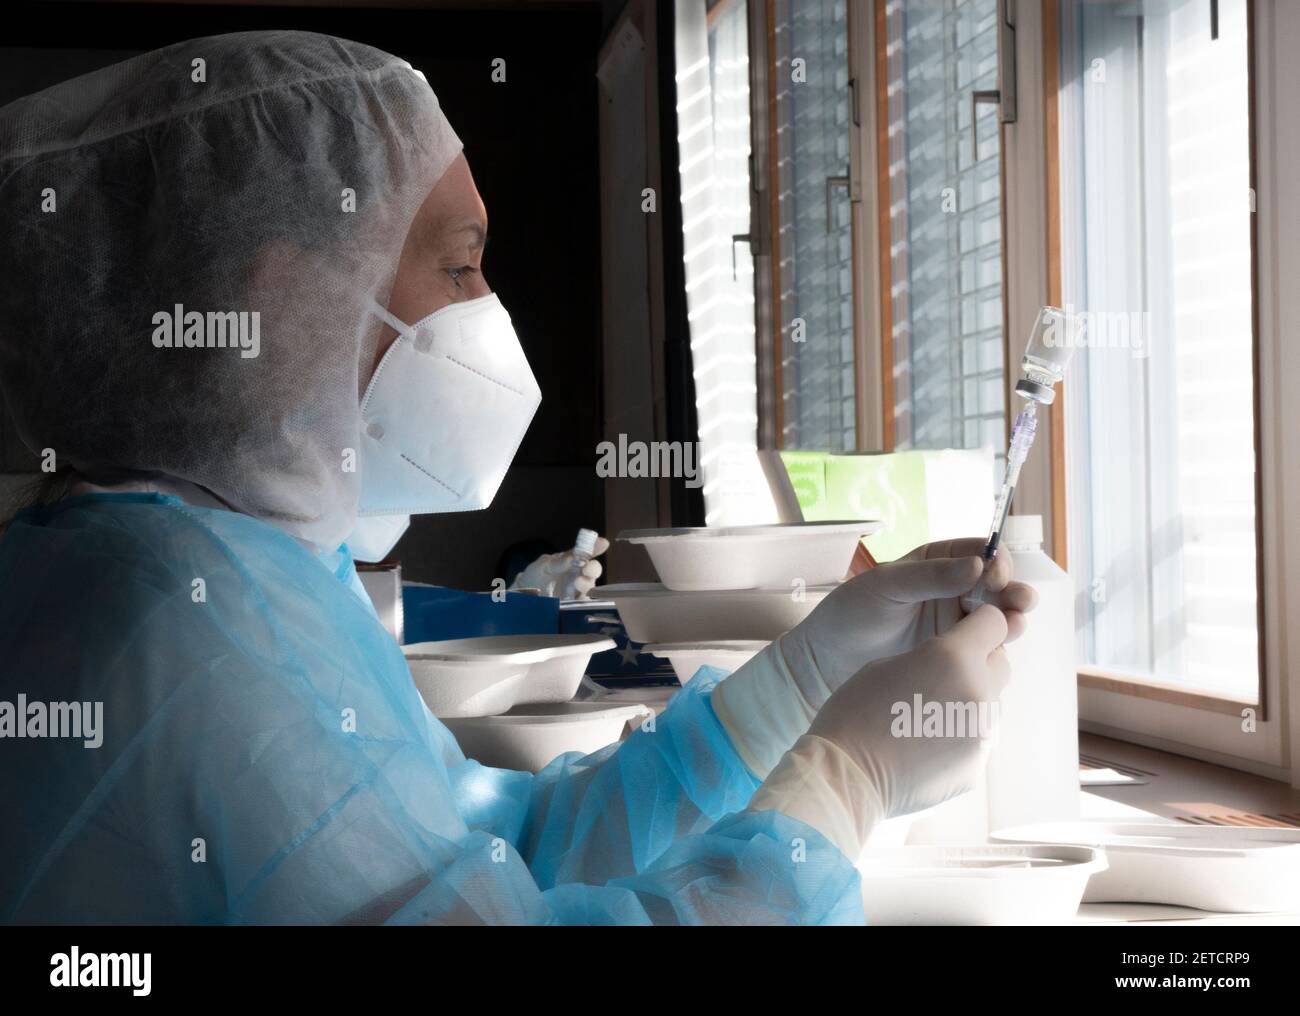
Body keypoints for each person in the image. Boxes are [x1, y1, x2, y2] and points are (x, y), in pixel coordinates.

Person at [0, 31, 1035, 925]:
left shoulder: (218, 564)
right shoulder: (180, 623)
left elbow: (500, 851)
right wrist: (842, 781)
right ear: (288, 293)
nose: (486, 305)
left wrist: (806, 683)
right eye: (459, 266)